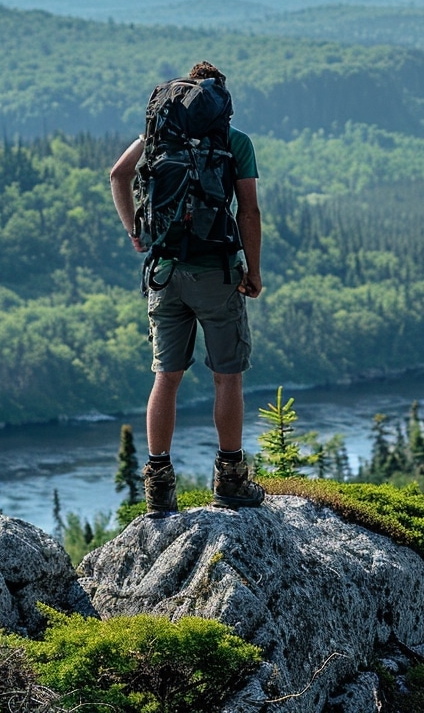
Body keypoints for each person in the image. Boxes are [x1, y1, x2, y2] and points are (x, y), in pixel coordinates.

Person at [108, 61, 265, 516]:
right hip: (216, 271)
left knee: (167, 377)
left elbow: (119, 174)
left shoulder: (159, 135)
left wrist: (135, 232)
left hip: (165, 271)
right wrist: (252, 271)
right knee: (226, 374)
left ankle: (158, 488)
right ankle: (230, 480)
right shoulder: (234, 142)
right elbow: (248, 213)